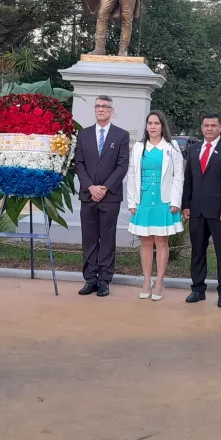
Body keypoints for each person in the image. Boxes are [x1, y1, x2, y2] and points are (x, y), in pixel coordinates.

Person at [182, 114, 221, 308]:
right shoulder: (193, 150)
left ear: (220, 128)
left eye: (213, 125)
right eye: (206, 125)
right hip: (197, 211)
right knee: (197, 251)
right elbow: (189, 180)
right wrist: (186, 205)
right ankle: (197, 289)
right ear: (201, 128)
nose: (209, 128)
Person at [74, 95, 129, 297]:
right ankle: (90, 279)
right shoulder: (84, 134)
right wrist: (90, 187)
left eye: (105, 106)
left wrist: (104, 188)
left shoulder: (121, 136)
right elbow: (78, 164)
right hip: (88, 196)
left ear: (112, 111)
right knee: (89, 239)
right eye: (97, 106)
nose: (101, 109)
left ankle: (104, 280)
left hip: (110, 196)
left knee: (107, 238)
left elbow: (122, 166)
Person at [126, 111, 184, 301]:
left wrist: (176, 201)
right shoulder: (138, 147)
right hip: (143, 200)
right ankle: (146, 280)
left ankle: (159, 281)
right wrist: (132, 201)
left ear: (162, 126)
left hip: (164, 200)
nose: (152, 126)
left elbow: (178, 175)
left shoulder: (172, 146)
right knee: (146, 242)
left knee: (161, 242)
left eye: (156, 123)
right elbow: (132, 174)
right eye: (149, 123)